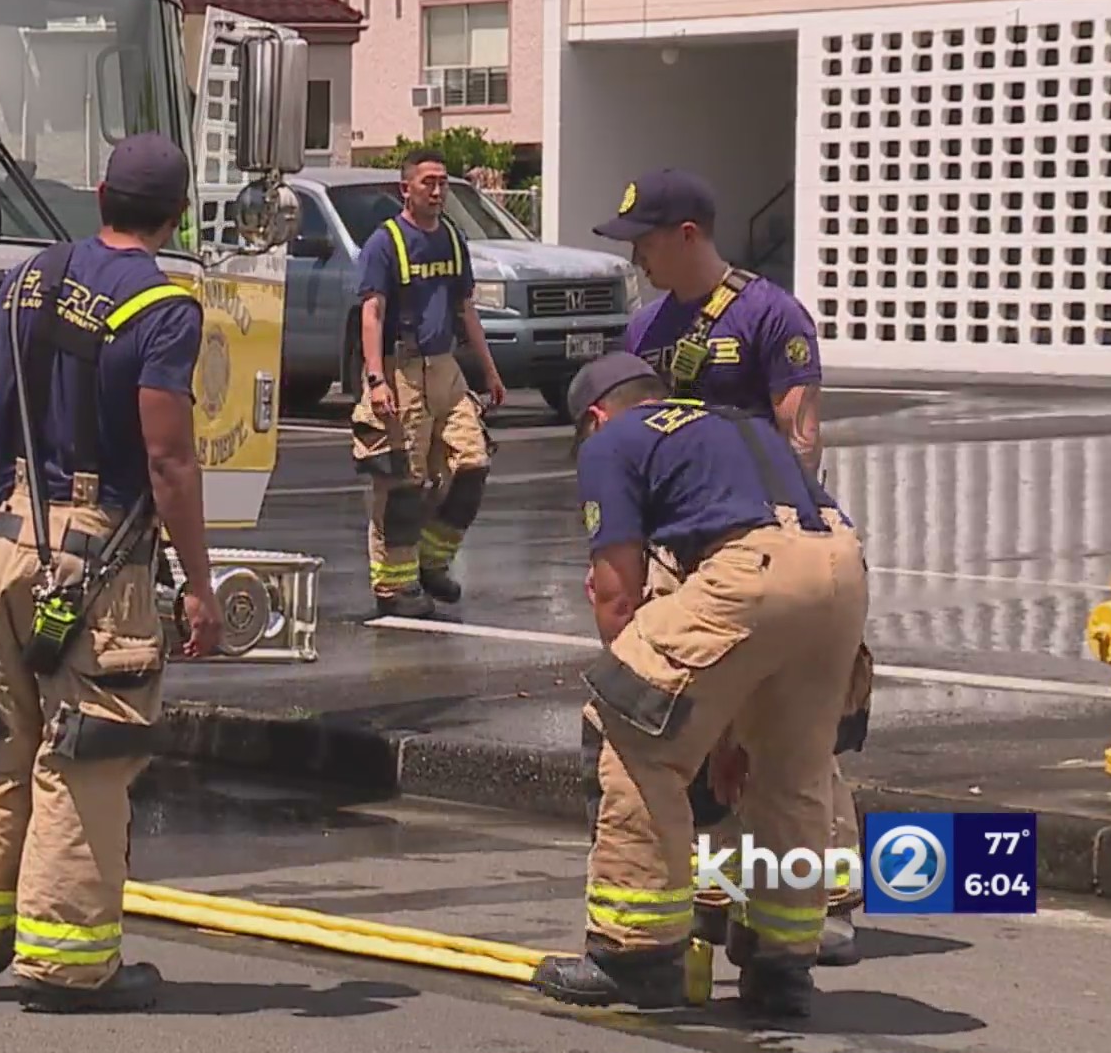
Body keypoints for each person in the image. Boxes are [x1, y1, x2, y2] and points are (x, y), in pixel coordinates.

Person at [0, 132, 223, 1014]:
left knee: (3, 742)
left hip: (14, 530)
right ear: (177, 214)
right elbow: (169, 461)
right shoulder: (164, 308)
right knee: (87, 755)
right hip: (98, 553)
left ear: (99, 194)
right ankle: (66, 964)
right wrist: (198, 584)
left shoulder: (26, 279)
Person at [587, 167, 869, 966]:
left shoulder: (770, 314)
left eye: (645, 242)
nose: (637, 259)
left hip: (759, 543)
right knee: (697, 730)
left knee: (789, 737)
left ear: (688, 236)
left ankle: (826, 897)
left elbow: (801, 435)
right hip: (685, 548)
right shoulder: (646, 330)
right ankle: (716, 889)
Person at [533, 353, 868, 1018]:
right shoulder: (730, 425)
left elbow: (619, 602)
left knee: (628, 730)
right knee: (791, 772)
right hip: (840, 568)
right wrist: (718, 729)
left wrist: (659, 709)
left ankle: (636, 955)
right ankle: (782, 966)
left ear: (595, 417)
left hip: (752, 569)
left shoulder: (613, 443)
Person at [349, 147, 505, 618]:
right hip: (400, 371)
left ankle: (432, 564)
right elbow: (372, 313)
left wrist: (490, 370)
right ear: (406, 188)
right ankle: (393, 587)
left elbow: (466, 309)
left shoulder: (452, 239)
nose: (437, 191)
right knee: (403, 484)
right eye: (428, 183)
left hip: (445, 370)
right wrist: (376, 380)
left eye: (442, 182)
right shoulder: (385, 243)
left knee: (472, 464)